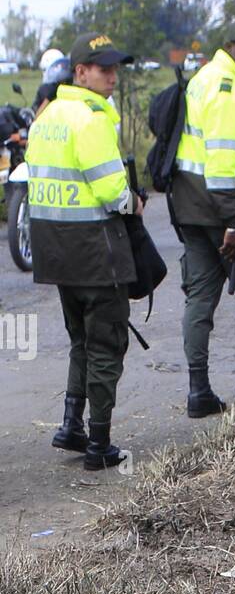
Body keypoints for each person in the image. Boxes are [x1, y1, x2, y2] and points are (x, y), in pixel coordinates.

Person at [27, 31, 140, 469]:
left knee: (81, 341)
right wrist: (136, 200)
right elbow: (114, 193)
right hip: (96, 255)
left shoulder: (47, 116)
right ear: (80, 72)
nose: (113, 76)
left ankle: (71, 426)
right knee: (106, 347)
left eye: (115, 68)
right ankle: (99, 444)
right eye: (103, 68)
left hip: (57, 255)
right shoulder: (91, 119)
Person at [172, 17, 235, 417]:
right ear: (231, 44)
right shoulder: (229, 91)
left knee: (200, 296)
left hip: (192, 208)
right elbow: (220, 164)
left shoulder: (203, 77)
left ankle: (198, 390)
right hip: (229, 212)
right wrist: (234, 224)